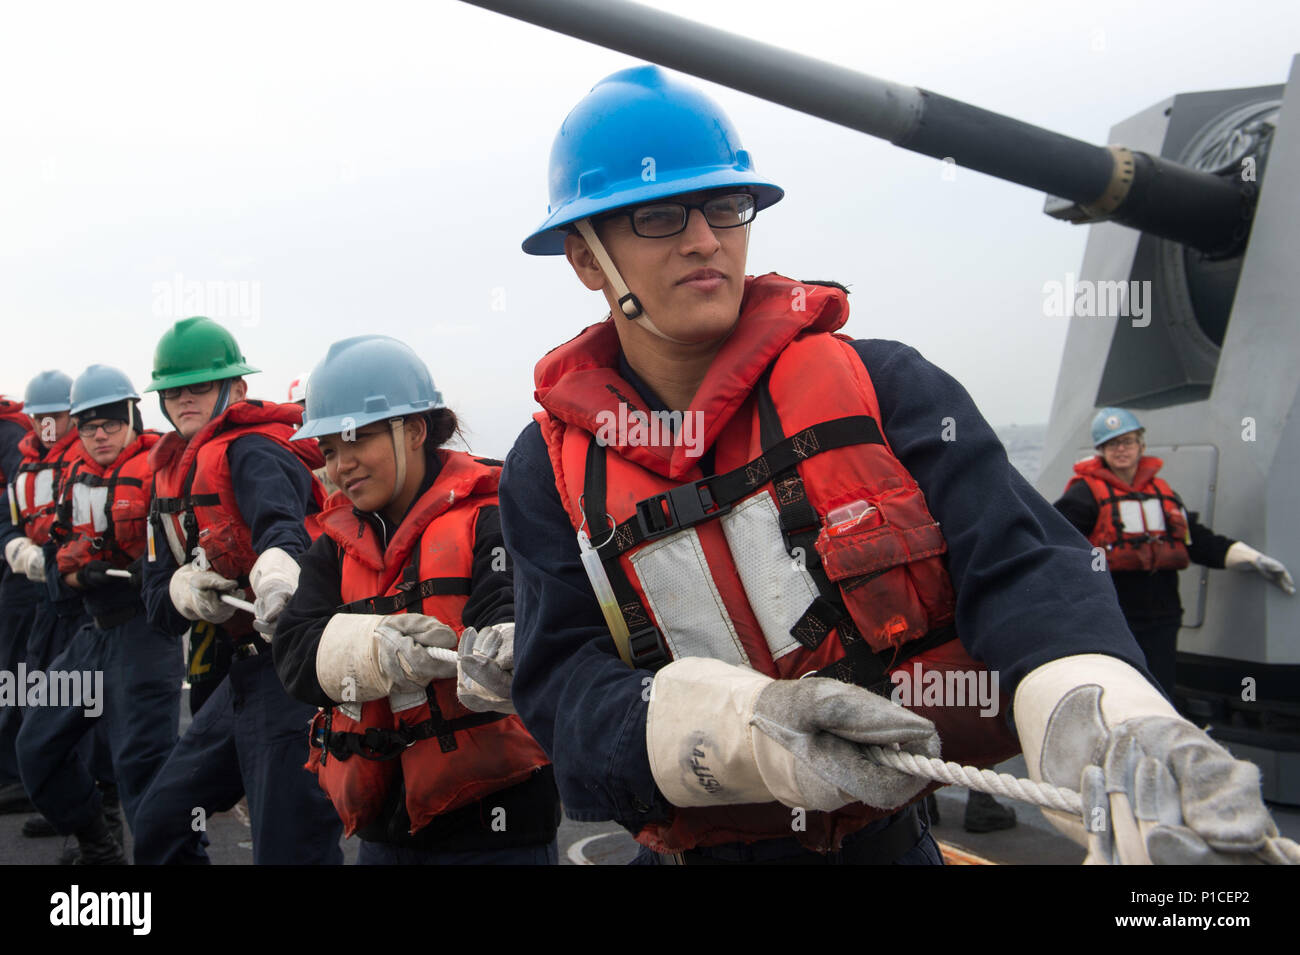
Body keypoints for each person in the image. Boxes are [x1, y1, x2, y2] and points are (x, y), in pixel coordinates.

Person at [497, 65, 1299, 865]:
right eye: (661, 216)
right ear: (588, 260)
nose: (706, 238)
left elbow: (1022, 563)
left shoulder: (884, 386)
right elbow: (564, 685)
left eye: (725, 206)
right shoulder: (546, 472)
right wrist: (753, 736)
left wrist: (1100, 711)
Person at [274, 335, 559, 864]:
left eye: (355, 441)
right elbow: (293, 653)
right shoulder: (332, 550)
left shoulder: (494, 512)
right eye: (330, 451)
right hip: (386, 837)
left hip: (500, 831)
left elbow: (508, 595)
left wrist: (506, 639)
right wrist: (370, 650)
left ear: (414, 430)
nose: (340, 467)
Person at [131, 316, 344, 864]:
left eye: (200, 387)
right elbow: (156, 602)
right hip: (238, 677)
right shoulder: (167, 478)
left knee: (291, 849)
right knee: (160, 819)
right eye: (173, 391)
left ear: (237, 390)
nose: (184, 399)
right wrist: (180, 591)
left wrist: (276, 573)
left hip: (291, 677)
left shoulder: (251, 451)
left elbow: (282, 527)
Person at [15, 365, 183, 864]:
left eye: (110, 423)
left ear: (133, 416)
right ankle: (98, 843)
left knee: (143, 770)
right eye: (88, 426)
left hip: (145, 635)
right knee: (36, 744)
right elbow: (56, 563)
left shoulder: (161, 469)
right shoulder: (72, 477)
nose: (100, 435)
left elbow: (185, 547)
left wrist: (148, 571)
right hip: (92, 630)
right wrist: (78, 576)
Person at [1053, 407, 1294, 699]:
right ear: (1101, 451)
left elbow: (1195, 540)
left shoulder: (1163, 493)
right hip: (1115, 617)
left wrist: (1246, 556)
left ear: (1141, 444)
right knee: (1121, 692)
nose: (1121, 450)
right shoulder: (1083, 496)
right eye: (1112, 444)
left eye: (1127, 441)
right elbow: (1057, 544)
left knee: (1160, 689)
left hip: (1162, 616)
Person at [2, 370, 116, 855]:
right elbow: (9, 524)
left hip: (83, 603)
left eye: (56, 417)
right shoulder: (26, 467)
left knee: (90, 705)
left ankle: (102, 814)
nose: (48, 426)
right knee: (43, 696)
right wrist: (18, 550)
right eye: (41, 418)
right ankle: (73, 803)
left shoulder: (87, 461)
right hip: (41, 597)